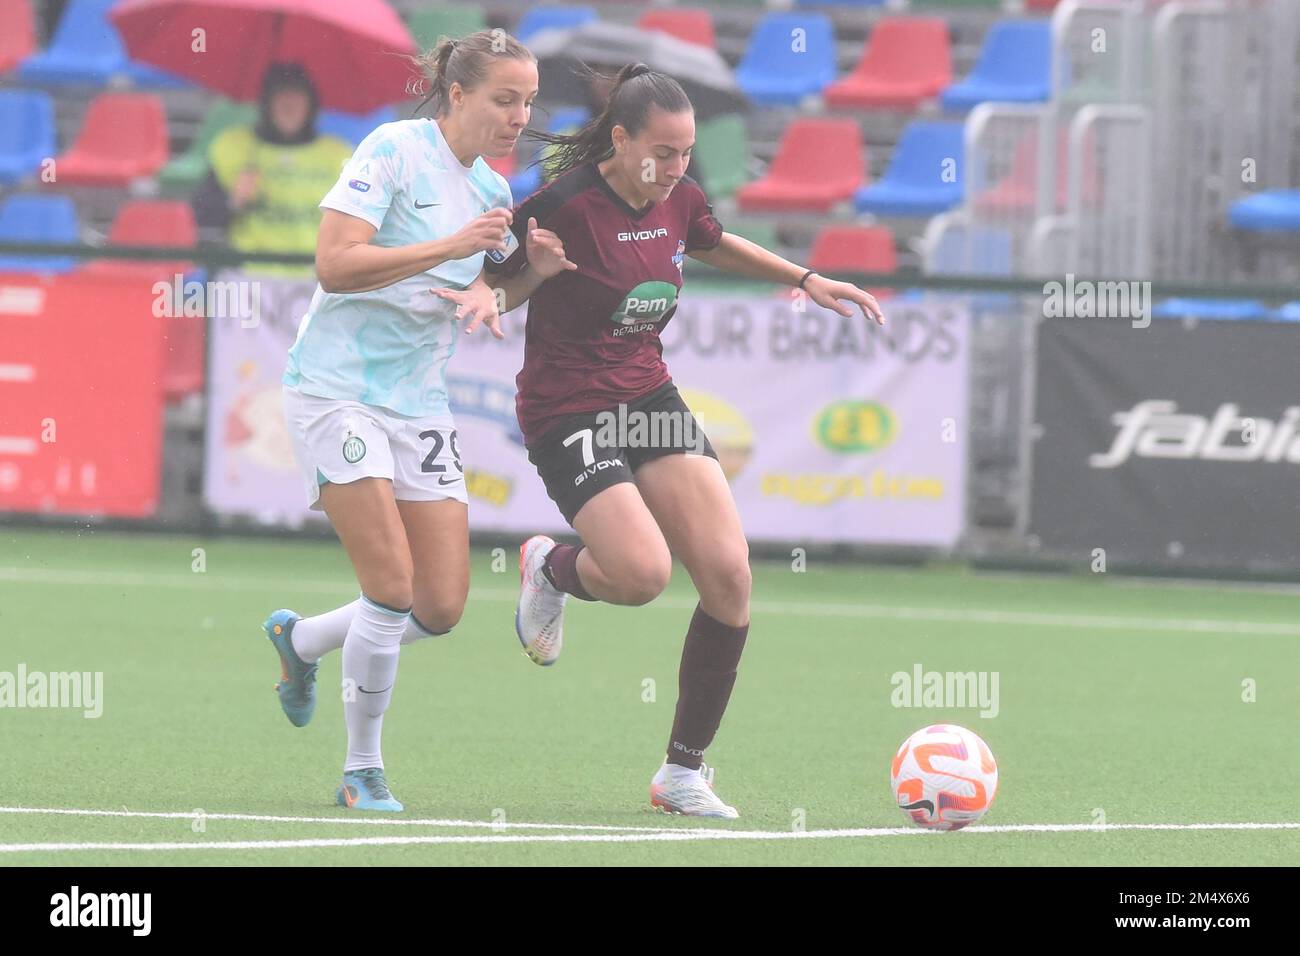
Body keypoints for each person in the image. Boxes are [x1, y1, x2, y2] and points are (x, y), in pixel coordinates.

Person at [484, 64, 884, 819]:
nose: (675, 169)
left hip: (646, 396)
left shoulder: (682, 200)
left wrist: (806, 279)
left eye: (686, 153)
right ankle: (553, 569)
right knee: (639, 576)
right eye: (661, 153)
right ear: (622, 138)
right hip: (568, 407)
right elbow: (492, 290)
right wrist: (527, 277)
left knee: (730, 577)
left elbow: (714, 240)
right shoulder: (559, 205)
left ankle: (682, 774)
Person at [262, 31, 571, 812]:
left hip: (418, 402)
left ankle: (299, 643)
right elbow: (334, 262)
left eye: (529, 102)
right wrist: (448, 246)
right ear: (457, 94)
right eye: (506, 99)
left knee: (440, 607)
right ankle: (361, 772)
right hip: (336, 390)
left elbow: (480, 288)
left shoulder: (495, 195)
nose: (519, 116)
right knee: (391, 588)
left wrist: (519, 279)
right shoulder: (392, 149)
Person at [193, 63, 353, 276]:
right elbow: (202, 218)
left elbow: (353, 224)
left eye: (297, 96)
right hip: (248, 272)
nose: (289, 105)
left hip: (313, 275)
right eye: (281, 96)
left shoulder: (338, 154)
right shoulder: (233, 147)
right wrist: (233, 201)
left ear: (311, 104)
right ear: (266, 103)